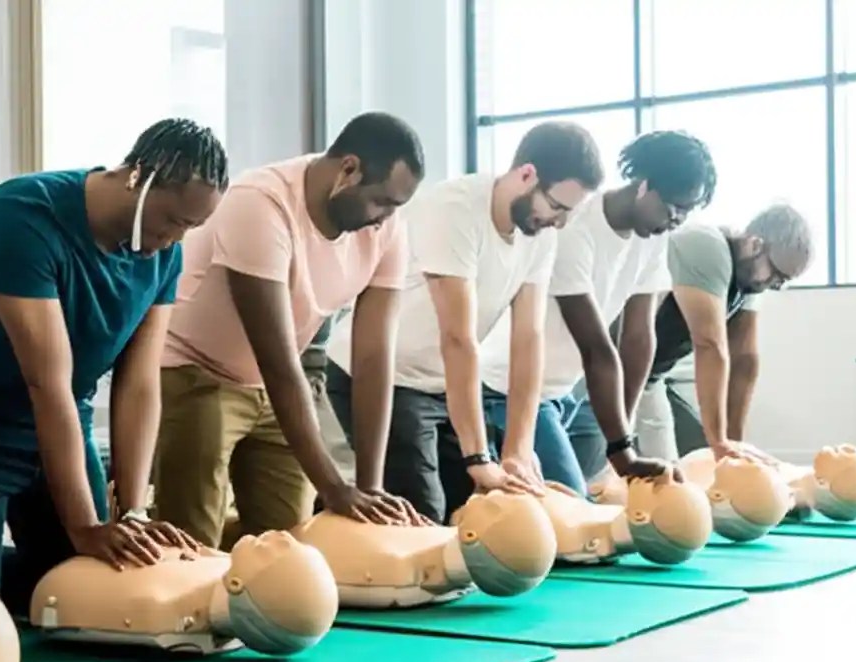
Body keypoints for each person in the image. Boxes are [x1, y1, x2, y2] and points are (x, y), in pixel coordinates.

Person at [0, 118, 224, 616]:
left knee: (81, 591)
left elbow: (139, 384)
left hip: (63, 426)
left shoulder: (165, 255)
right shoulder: (22, 213)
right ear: (139, 179)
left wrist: (133, 510)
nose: (174, 238)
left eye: (191, 228)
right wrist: (84, 526)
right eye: (173, 219)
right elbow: (45, 380)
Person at [151, 112, 427, 550]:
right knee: (193, 547)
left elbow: (374, 358)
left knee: (288, 549)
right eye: (381, 202)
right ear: (348, 169)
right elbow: (276, 357)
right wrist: (334, 489)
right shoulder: (260, 202)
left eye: (395, 208)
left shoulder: (388, 228)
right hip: (194, 370)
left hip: (274, 384)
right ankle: (146, 520)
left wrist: (369, 484)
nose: (383, 220)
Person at [326, 120, 604, 524]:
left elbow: (529, 340)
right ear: (527, 174)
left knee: (484, 510)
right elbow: (457, 337)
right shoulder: (456, 208)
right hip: (383, 378)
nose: (559, 222)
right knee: (426, 515)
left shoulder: (540, 234)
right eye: (558, 207)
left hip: (442, 387)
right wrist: (478, 457)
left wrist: (517, 451)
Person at [490, 130, 718, 490]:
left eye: (686, 213)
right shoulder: (575, 226)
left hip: (566, 395)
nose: (676, 220)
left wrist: (622, 431)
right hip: (506, 389)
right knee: (570, 508)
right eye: (674, 206)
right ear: (644, 186)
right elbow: (596, 348)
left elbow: (639, 338)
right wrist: (622, 451)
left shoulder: (654, 238)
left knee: (601, 492)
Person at [627, 203, 813, 464]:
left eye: (782, 283)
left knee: (670, 478)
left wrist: (734, 447)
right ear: (756, 245)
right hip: (605, 369)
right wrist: (718, 441)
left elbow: (744, 360)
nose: (773, 285)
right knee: (590, 475)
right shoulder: (708, 247)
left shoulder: (749, 283)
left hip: (648, 379)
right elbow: (710, 345)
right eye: (776, 275)